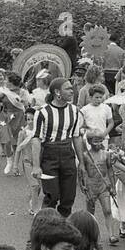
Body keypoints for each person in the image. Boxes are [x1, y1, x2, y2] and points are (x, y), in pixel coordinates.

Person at [34, 77, 84, 217]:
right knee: (52, 195)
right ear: (57, 92)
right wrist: (36, 166)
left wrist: (81, 163)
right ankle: (43, 228)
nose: (72, 91)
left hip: (68, 153)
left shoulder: (74, 111)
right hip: (49, 154)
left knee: (68, 197)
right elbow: (36, 139)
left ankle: (63, 228)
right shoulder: (43, 112)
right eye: (67, 88)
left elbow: (76, 136)